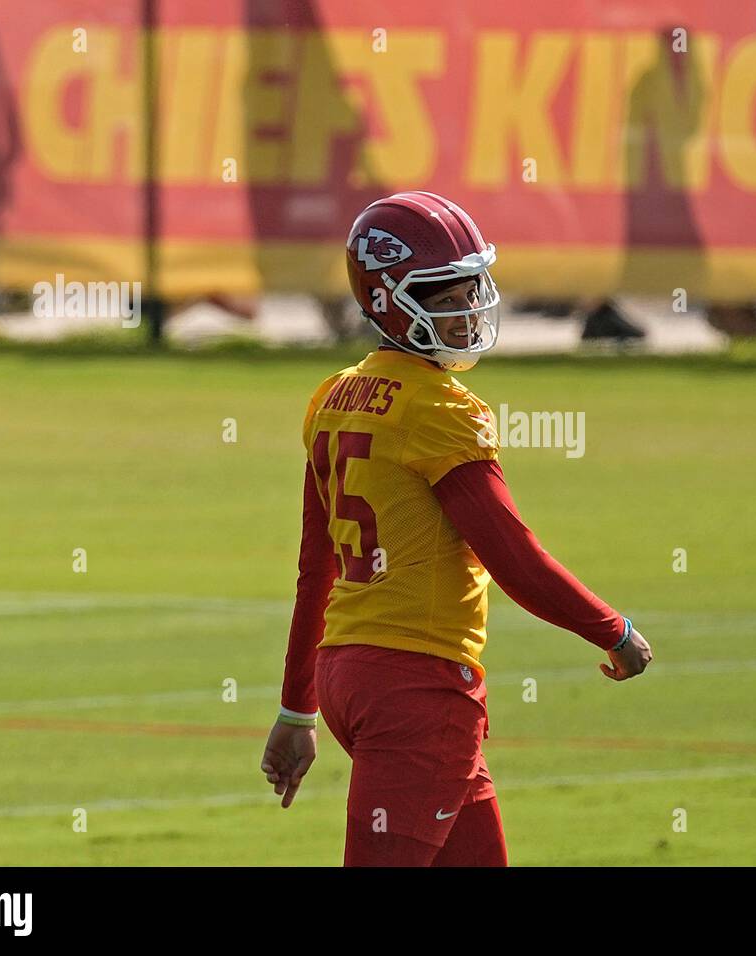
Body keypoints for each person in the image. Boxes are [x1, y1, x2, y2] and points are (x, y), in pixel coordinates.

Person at [260, 190, 653, 866]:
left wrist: (299, 709)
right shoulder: (441, 409)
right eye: (445, 292)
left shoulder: (333, 397)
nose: (467, 305)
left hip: (349, 677)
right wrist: (610, 629)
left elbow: (315, 569)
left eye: (471, 284)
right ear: (390, 301)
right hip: (420, 690)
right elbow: (513, 556)